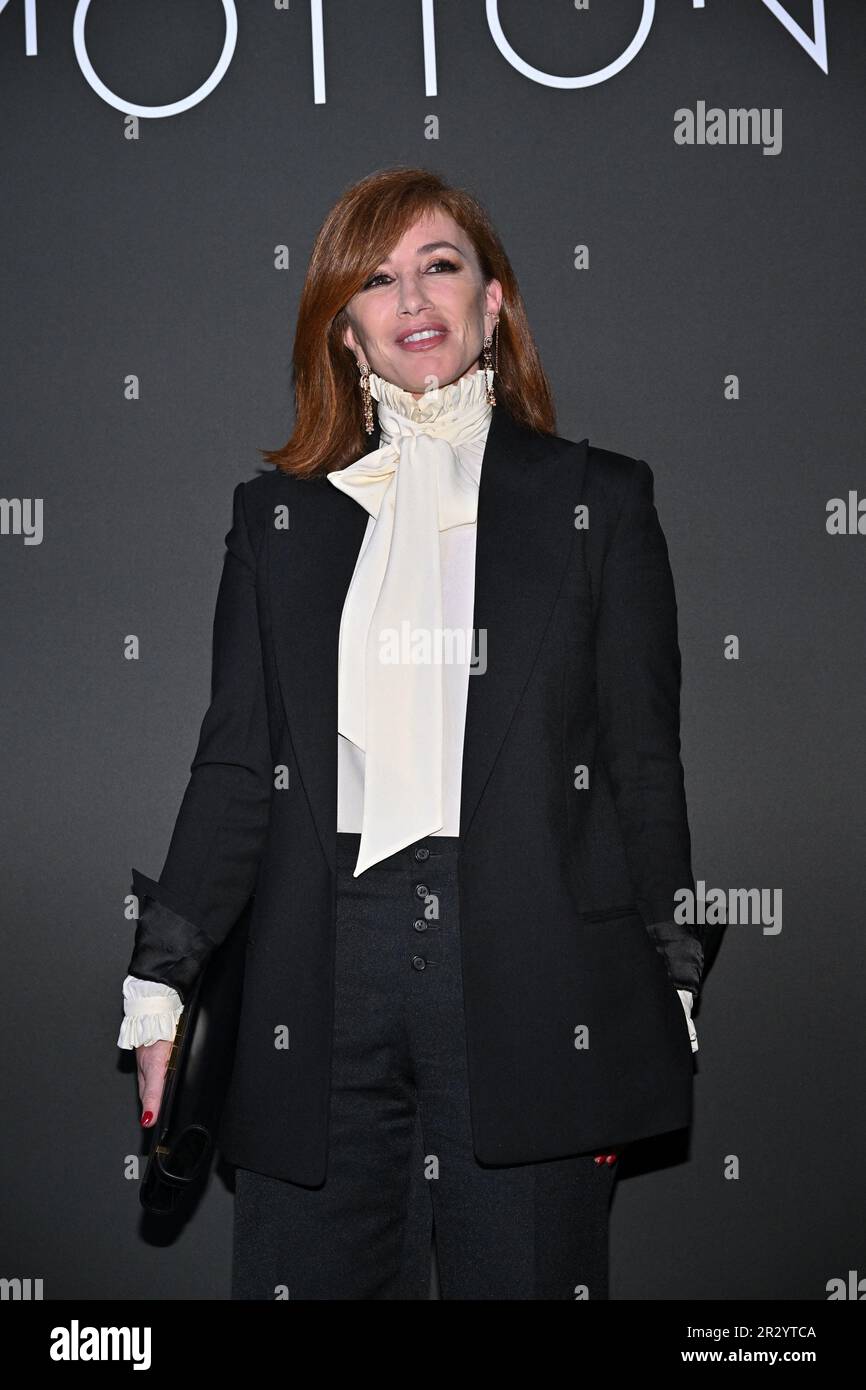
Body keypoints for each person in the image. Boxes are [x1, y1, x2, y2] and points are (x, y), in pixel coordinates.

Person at [117, 165, 703, 1300]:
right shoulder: (275, 520)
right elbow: (236, 763)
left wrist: (668, 969)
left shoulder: (603, 501)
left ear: (494, 303)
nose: (412, 298)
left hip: (534, 965)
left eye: (440, 264)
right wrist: (161, 984)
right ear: (346, 334)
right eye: (376, 280)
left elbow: (640, 759)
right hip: (317, 966)